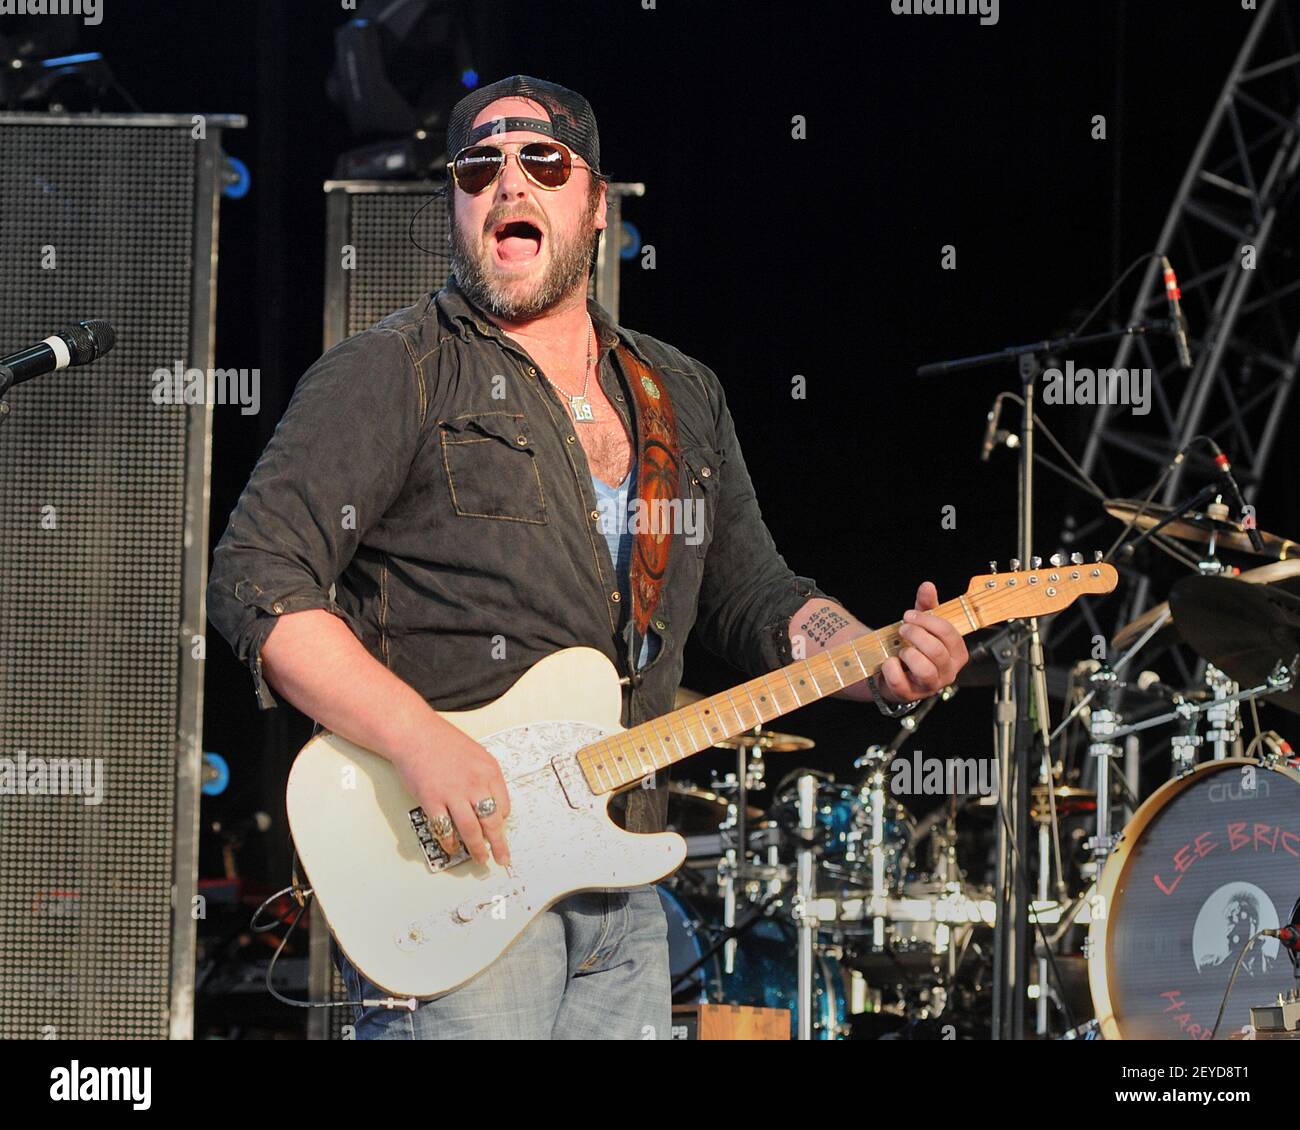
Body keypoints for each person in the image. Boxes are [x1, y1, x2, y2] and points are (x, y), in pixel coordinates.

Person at [205, 75, 969, 1040]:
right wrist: (418, 738)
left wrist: (881, 658)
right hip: (461, 883)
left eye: (543, 163)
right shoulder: (391, 370)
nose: (508, 185)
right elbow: (256, 579)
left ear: (597, 203)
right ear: (455, 202)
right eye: (479, 168)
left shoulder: (680, 395)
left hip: (619, 880)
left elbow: (756, 598)